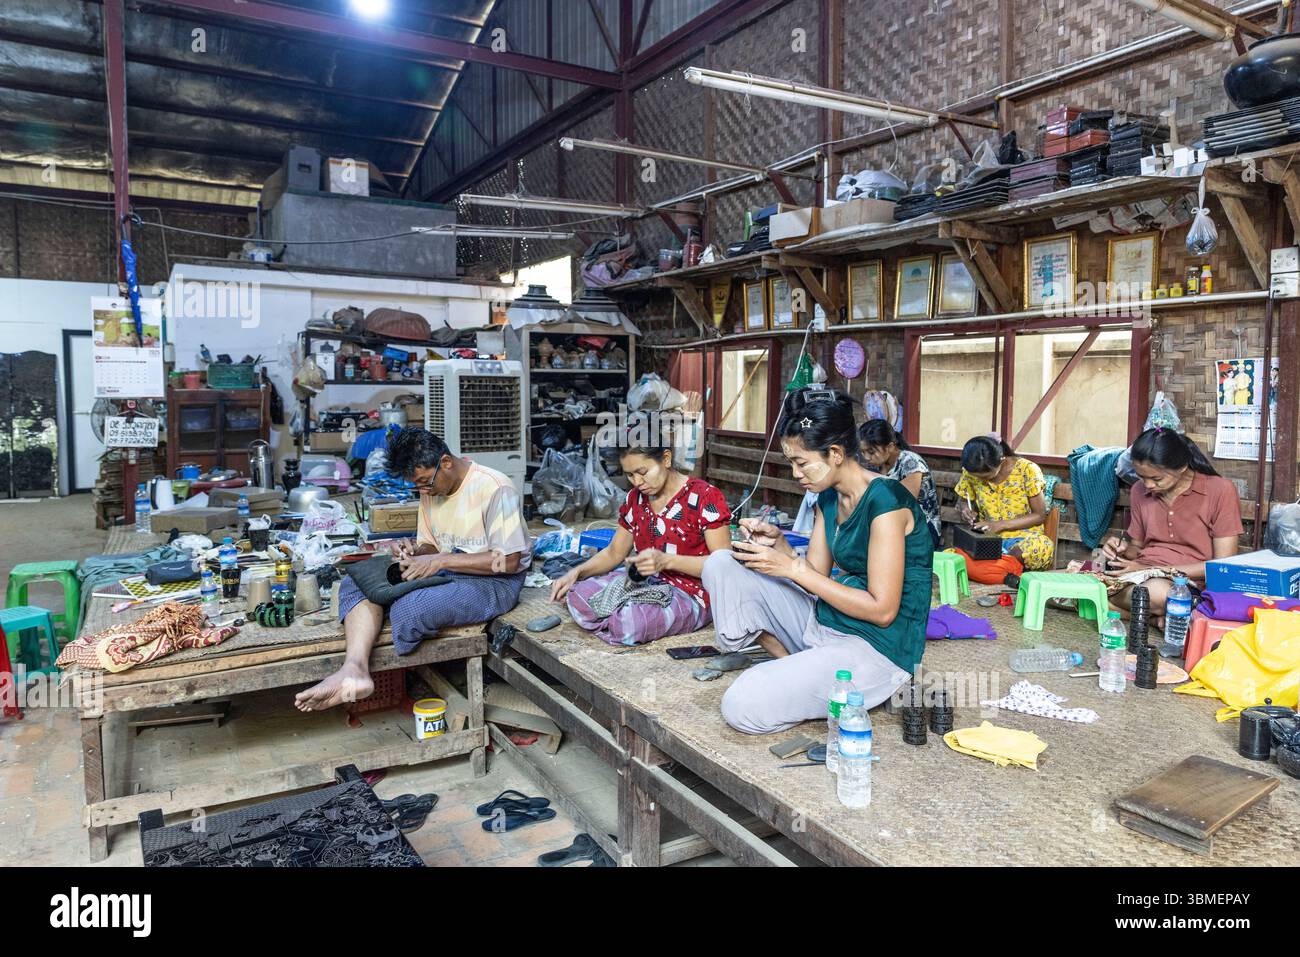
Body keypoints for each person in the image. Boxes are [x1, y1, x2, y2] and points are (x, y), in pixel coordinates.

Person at [702, 390, 934, 735]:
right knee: (720, 562)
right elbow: (815, 575)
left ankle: (820, 678)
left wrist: (789, 567)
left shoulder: (887, 501)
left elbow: (883, 610)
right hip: (828, 622)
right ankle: (793, 664)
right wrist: (781, 546)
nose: (796, 473)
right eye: (792, 464)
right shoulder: (827, 496)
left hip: (877, 647)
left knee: (741, 702)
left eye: (801, 462)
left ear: (836, 454)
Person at [295, 428, 531, 711]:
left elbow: (508, 561)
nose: (423, 492)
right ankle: (354, 669)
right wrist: (414, 552)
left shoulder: (495, 488)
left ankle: (377, 650)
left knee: (409, 608)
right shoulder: (431, 489)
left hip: (496, 581)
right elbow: (430, 546)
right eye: (416, 486)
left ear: (445, 462)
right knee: (357, 581)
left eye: (424, 483)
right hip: (450, 570)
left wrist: (441, 561)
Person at [551, 428, 732, 645]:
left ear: (666, 459)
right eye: (629, 474)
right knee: (578, 595)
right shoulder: (635, 499)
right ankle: (620, 620)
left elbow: (724, 564)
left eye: (642, 471)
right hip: (647, 582)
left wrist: (667, 561)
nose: (637, 481)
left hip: (693, 593)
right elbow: (614, 552)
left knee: (630, 621)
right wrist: (577, 572)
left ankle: (619, 620)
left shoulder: (705, 497)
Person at [1100, 428, 1241, 618]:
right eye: (1142, 476)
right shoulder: (1138, 490)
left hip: (1184, 584)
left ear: (1182, 467)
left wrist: (1153, 571)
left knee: (1155, 594)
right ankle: (1154, 619)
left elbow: (1222, 566)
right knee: (1066, 580)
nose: (1148, 485)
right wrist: (1122, 550)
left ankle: (1106, 605)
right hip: (1139, 575)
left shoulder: (1220, 490)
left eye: (1157, 478)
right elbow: (1136, 547)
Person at [952, 434, 1053, 585]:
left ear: (1001, 460)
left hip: (1023, 540)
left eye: (987, 476)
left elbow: (1039, 515)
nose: (982, 481)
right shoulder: (970, 472)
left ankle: (987, 569)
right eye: (978, 477)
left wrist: (999, 525)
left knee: (1041, 547)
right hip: (987, 540)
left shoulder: (1027, 470)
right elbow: (963, 500)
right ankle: (1002, 571)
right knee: (950, 555)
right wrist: (965, 509)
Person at [859, 419, 941, 546]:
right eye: (863, 452)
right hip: (891, 525)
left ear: (890, 447)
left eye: (871, 452)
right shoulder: (878, 465)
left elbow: (904, 503)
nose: (866, 457)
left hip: (921, 529)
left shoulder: (910, 462)